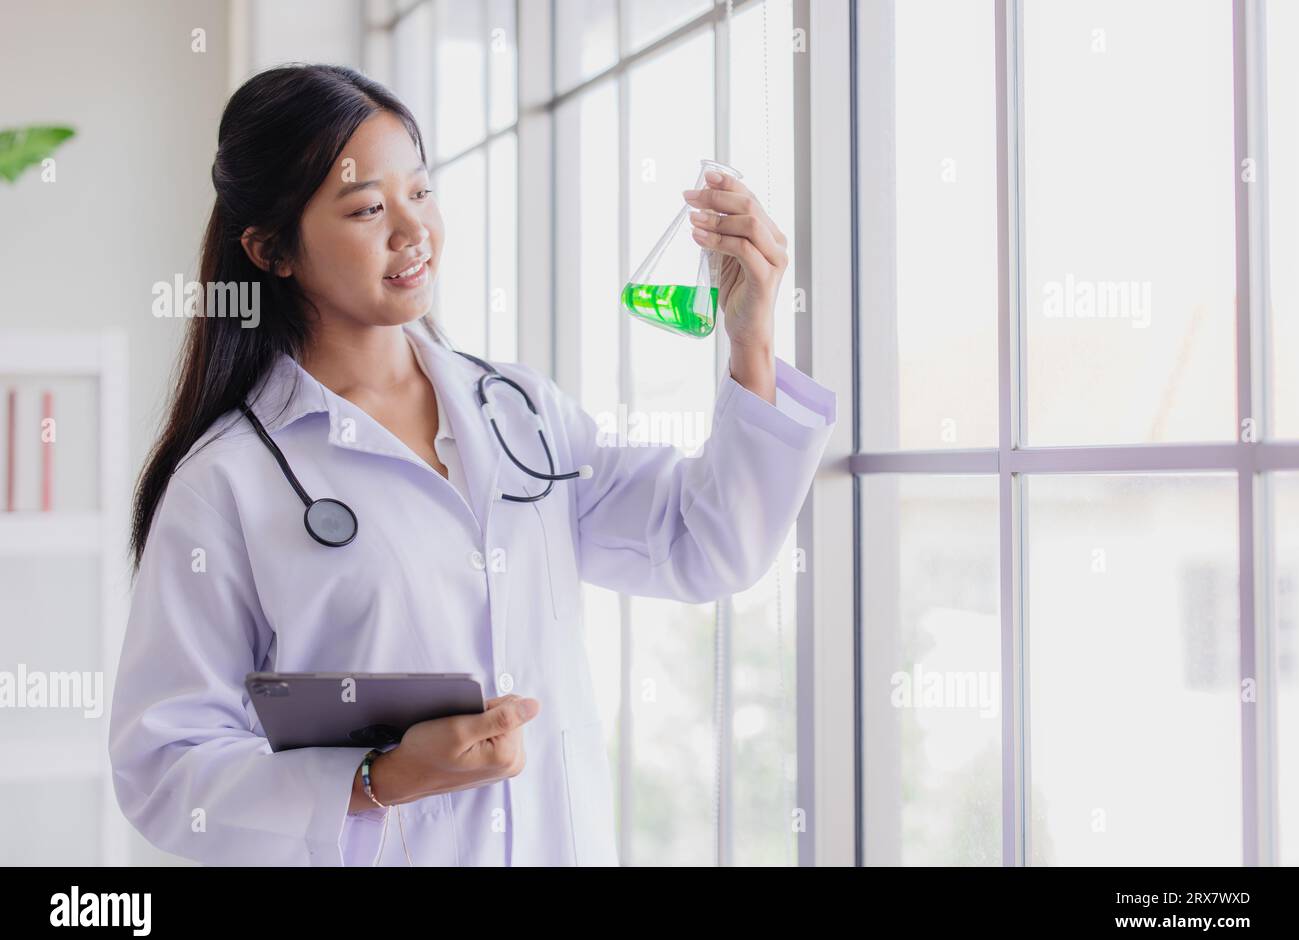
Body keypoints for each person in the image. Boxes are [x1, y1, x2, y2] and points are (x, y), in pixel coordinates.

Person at [108, 63, 836, 866]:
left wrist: (751, 336)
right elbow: (164, 766)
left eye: (420, 193)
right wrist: (377, 779)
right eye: (367, 209)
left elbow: (706, 543)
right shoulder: (229, 481)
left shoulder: (519, 413)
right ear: (271, 250)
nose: (412, 232)